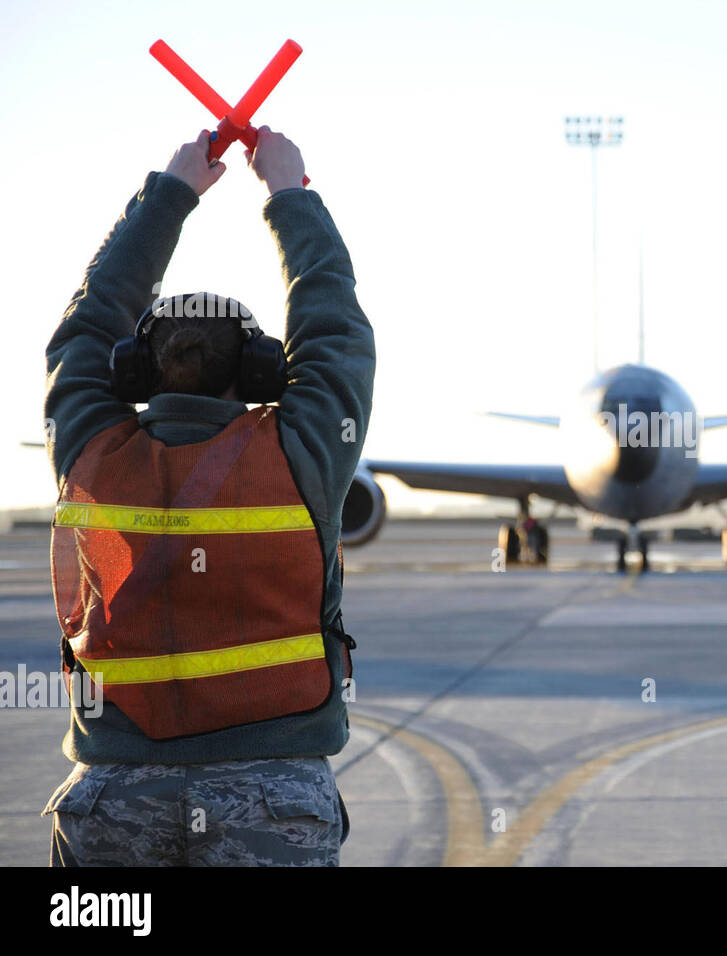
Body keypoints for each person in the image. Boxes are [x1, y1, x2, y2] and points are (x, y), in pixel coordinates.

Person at [40, 127, 375, 866]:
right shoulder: (301, 455)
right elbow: (335, 329)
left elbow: (87, 324)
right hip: (271, 795)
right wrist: (289, 190)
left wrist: (170, 194)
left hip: (112, 799)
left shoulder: (91, 452)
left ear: (133, 373)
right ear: (262, 373)